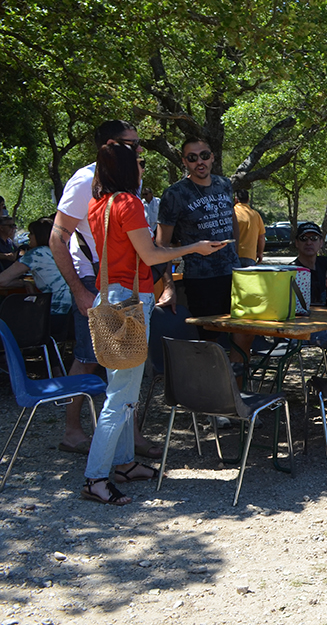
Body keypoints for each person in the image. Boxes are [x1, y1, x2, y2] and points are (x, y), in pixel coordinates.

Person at [82, 143, 227, 505]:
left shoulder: (98, 203)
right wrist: (193, 248)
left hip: (111, 297)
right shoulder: (128, 204)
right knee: (120, 396)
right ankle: (96, 478)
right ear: (129, 169)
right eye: (139, 161)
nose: (143, 166)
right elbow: (150, 255)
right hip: (131, 301)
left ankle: (124, 463)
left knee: (125, 392)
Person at [50, 120, 160, 458]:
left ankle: (128, 444)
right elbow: (58, 236)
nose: (140, 149)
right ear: (112, 144)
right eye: (133, 143)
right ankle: (74, 432)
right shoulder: (86, 180)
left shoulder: (124, 179)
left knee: (127, 363)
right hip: (95, 279)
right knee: (87, 357)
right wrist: (78, 289)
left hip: (126, 280)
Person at [156, 138, 249, 361]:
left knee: (245, 332)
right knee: (209, 342)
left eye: (204, 155)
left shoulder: (224, 184)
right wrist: (168, 286)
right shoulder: (174, 195)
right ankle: (209, 390)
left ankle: (235, 386)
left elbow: (231, 221)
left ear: (212, 157)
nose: (200, 161)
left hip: (234, 275)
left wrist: (234, 252)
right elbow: (162, 245)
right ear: (185, 162)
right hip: (201, 279)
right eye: (192, 157)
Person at [0, 217, 74, 338]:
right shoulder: (62, 250)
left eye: (32, 233)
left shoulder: (37, 253)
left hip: (52, 316)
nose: (28, 236)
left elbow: (2, 280)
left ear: (40, 236)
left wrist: (23, 283)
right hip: (71, 315)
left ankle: (10, 355)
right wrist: (24, 283)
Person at [291, 222, 327, 304]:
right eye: (303, 238)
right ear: (297, 243)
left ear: (321, 242)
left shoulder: (326, 264)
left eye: (314, 238)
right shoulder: (291, 271)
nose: (309, 242)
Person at [233, 189, 265, 268]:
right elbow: (261, 237)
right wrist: (260, 253)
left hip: (233, 254)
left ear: (236, 199)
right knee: (248, 280)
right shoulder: (255, 215)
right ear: (248, 200)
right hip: (249, 255)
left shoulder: (232, 212)